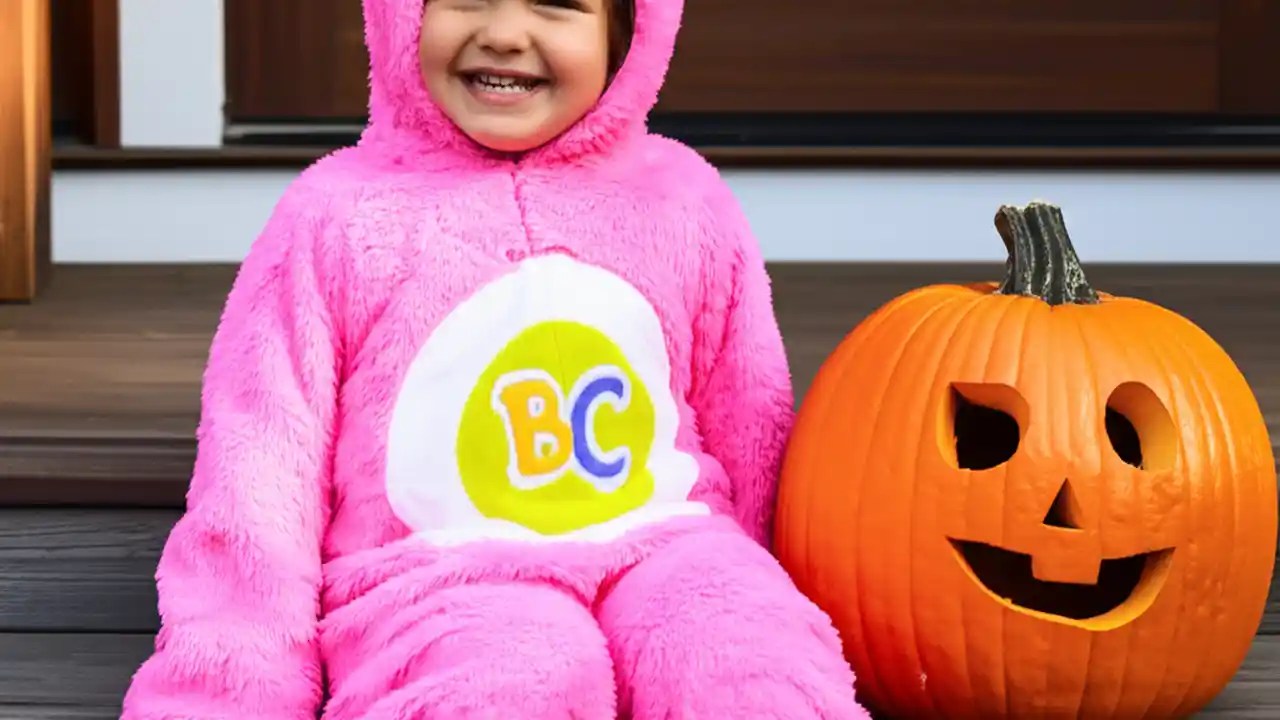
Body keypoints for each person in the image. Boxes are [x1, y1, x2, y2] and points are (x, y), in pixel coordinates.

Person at [120, 0, 870, 718]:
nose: (505, 33)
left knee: (741, 655)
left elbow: (750, 422)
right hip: (435, 580)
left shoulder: (682, 201)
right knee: (512, 674)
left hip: (670, 546)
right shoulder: (337, 216)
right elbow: (259, 474)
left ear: (626, 33)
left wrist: (768, 572)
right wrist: (228, 691)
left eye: (556, 3)